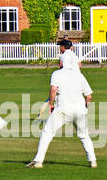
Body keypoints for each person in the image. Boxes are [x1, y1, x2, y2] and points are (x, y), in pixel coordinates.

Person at [26, 39, 97, 168]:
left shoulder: (57, 74)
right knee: (84, 135)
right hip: (80, 109)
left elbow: (53, 89)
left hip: (64, 109)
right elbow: (89, 96)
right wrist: (86, 108)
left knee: (47, 132)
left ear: (61, 62)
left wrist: (51, 104)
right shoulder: (80, 75)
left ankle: (38, 161)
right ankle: (92, 161)